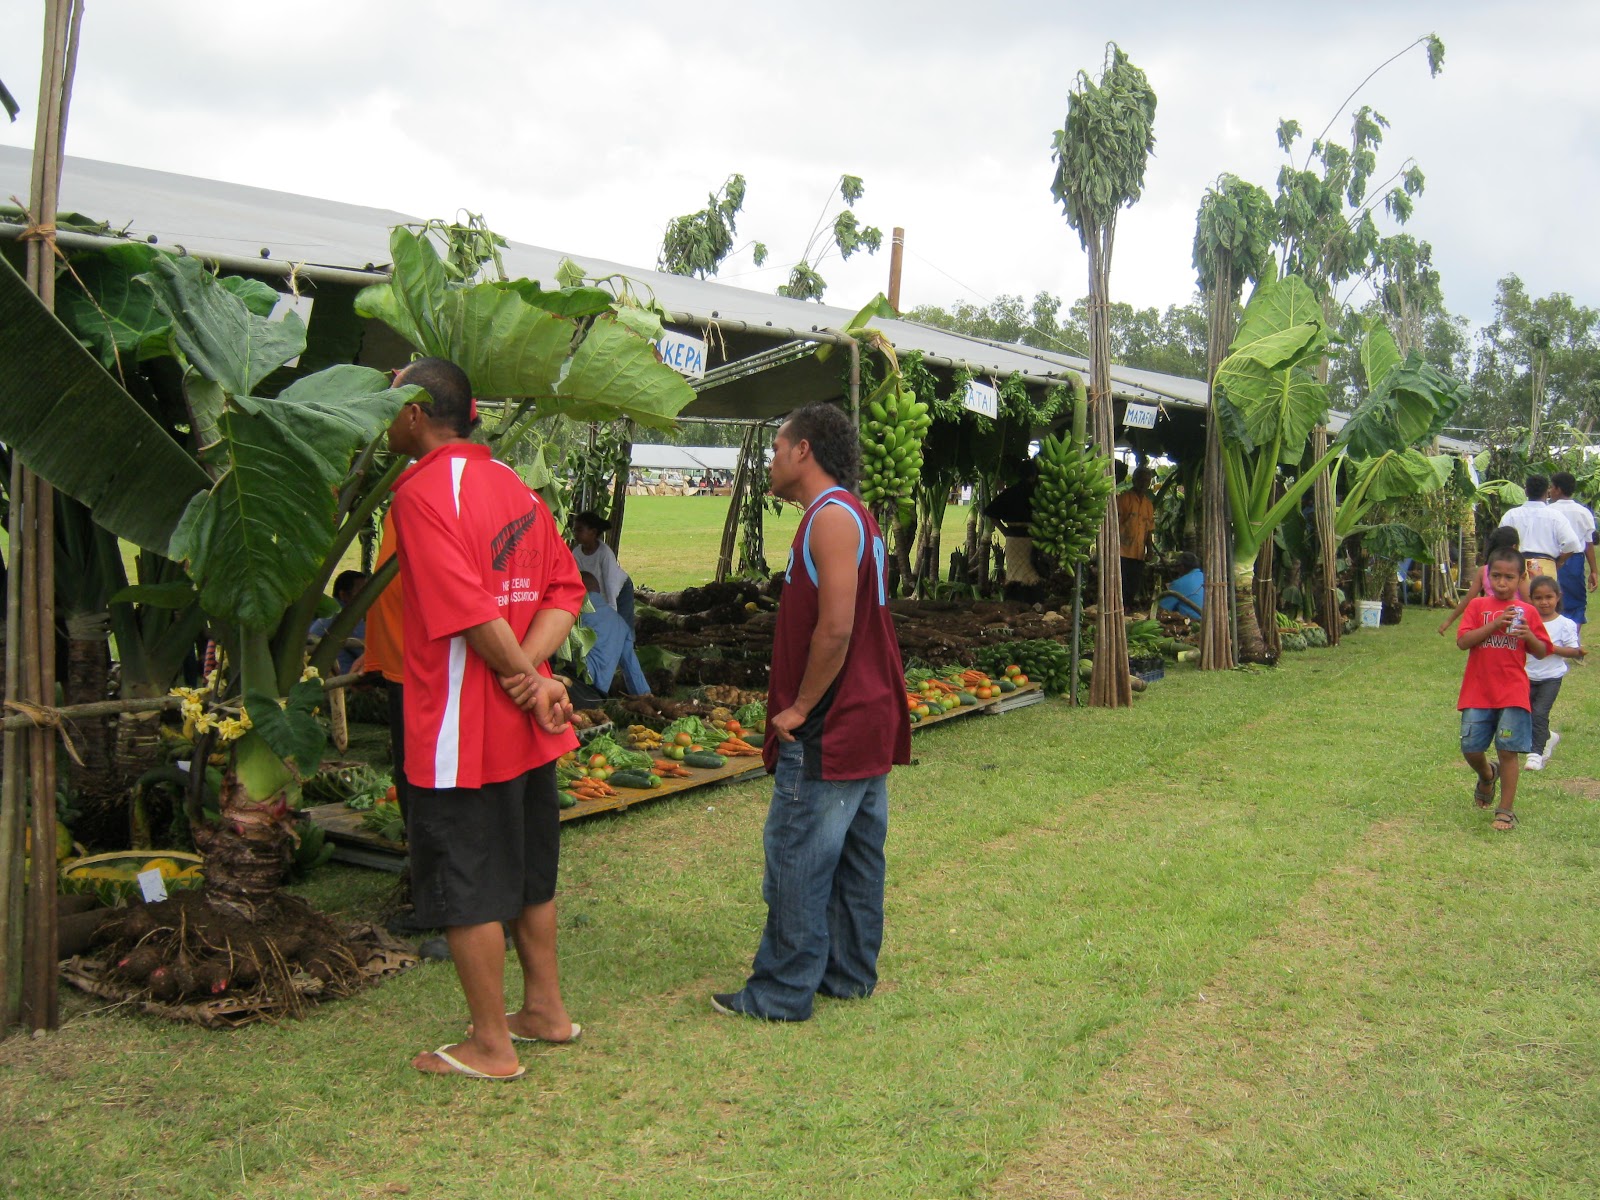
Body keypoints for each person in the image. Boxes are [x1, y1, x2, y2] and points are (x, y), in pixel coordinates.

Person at [386, 357, 587, 1080]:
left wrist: (517, 678)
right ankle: (545, 1012)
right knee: (531, 874)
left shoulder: (420, 494)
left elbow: (469, 610)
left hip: (458, 736)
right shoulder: (513, 488)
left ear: (415, 413)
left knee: (466, 882)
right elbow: (566, 589)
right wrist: (534, 681)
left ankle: (491, 1044)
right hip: (526, 731)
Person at [712, 403, 911, 1022]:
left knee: (798, 850)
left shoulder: (830, 519)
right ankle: (847, 973)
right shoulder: (850, 515)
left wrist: (799, 705)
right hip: (867, 712)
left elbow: (836, 628)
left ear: (804, 451)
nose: (771, 459)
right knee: (856, 850)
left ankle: (780, 990)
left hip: (835, 718)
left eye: (776, 447)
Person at [1455, 544, 1553, 834]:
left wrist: (1528, 637)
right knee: (1471, 748)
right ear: (1488, 577)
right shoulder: (1477, 607)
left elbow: (1542, 650)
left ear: (1520, 577)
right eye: (1496, 576)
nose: (1501, 583)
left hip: (1512, 691)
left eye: (1509, 577)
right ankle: (1487, 774)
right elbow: (1463, 641)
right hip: (1478, 690)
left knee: (1508, 749)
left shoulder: (1528, 612)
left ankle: (1506, 810)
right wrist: (1496, 623)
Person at [569, 511, 650, 697]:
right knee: (610, 630)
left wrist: (609, 617)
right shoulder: (576, 553)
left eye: (579, 530)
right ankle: (641, 690)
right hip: (589, 593)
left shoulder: (605, 553)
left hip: (618, 591)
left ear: (593, 532)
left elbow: (610, 585)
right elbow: (575, 578)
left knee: (623, 630)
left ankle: (626, 657)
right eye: (574, 530)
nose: (575, 533)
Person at [1523, 575, 1585, 771]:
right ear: (1531, 599)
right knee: (1526, 714)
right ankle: (1549, 737)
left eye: (1548, 597)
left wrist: (1549, 648)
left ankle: (1536, 754)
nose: (1544, 602)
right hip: (1527, 675)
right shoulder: (1527, 622)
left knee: (1540, 712)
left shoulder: (1565, 624)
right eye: (1538, 598)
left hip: (1551, 677)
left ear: (1558, 597)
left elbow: (1574, 650)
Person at [1439, 527, 1526, 636]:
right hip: (1513, 621)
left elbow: (1467, 600)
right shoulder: (1516, 573)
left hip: (1488, 620)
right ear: (1515, 547)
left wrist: (1449, 621)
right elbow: (1529, 603)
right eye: (1495, 576)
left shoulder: (1483, 570)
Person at [1498, 474, 1581, 582]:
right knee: (1544, 598)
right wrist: (1560, 561)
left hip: (1516, 567)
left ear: (1526, 492)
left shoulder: (1511, 515)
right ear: (1547, 493)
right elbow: (1572, 543)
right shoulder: (1556, 516)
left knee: (1517, 599)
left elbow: (1500, 541)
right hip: (1546, 566)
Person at [982, 458, 1045, 601]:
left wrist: (1004, 530)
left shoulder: (1010, 492)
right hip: (1034, 538)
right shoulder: (1039, 493)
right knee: (1033, 574)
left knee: (1014, 573)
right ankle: (1033, 602)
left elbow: (990, 512)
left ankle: (1014, 602)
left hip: (1013, 537)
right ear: (1034, 475)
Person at [1546, 471, 1596, 629]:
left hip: (1553, 559)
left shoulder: (1549, 511)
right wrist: (1594, 571)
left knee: (1551, 597)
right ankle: (1573, 641)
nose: (1549, 491)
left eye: (1551, 487)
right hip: (1576, 560)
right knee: (1576, 600)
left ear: (1558, 489)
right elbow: (1588, 544)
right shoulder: (1583, 512)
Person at [307, 569, 368, 676]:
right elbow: (372, 651)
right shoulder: (346, 617)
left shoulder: (327, 611)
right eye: (362, 591)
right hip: (345, 681)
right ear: (343, 595)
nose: (369, 595)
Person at [1117, 465, 1157, 608]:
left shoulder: (1148, 504)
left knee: (1133, 585)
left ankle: (1126, 610)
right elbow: (1115, 523)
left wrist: (1150, 550)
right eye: (1141, 480)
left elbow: (1149, 530)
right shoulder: (1124, 499)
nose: (1143, 484)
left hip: (1138, 553)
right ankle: (1119, 611)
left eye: (1147, 481)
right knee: (1121, 584)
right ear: (1134, 480)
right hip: (1122, 551)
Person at [1157, 552, 1203, 620]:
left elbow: (1162, 608)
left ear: (1182, 567)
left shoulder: (1179, 583)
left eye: (1177, 567)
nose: (1177, 570)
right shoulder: (1207, 578)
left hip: (1194, 621)